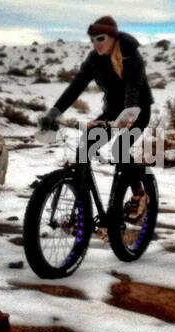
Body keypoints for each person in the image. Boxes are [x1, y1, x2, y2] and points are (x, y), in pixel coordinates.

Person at [40, 15, 154, 221]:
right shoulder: (94, 59)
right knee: (86, 146)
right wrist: (54, 113)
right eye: (92, 40)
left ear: (112, 37)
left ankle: (139, 194)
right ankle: (81, 207)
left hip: (138, 110)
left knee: (120, 149)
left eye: (100, 38)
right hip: (111, 112)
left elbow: (132, 88)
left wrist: (128, 114)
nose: (96, 44)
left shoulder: (131, 56)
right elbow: (75, 86)